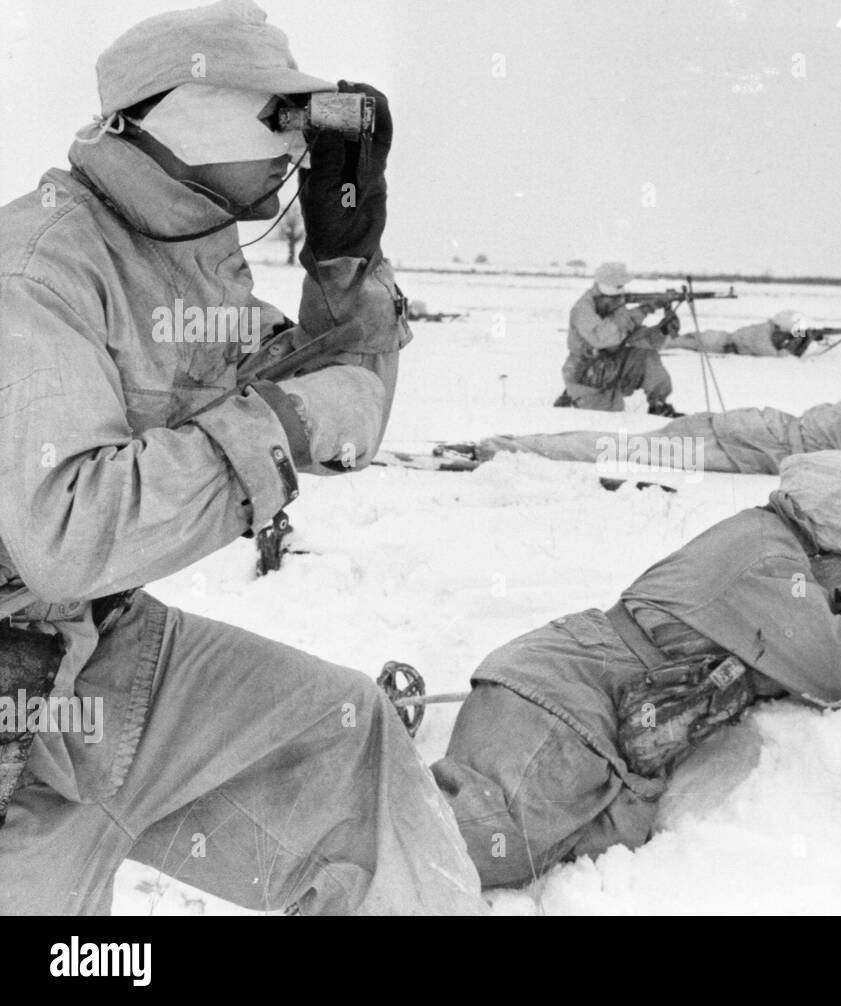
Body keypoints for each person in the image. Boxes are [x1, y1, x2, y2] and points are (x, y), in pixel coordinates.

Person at [0, 0, 482, 915]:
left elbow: (341, 412)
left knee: (350, 742)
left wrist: (346, 266)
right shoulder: (37, 271)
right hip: (15, 688)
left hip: (95, 643)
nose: (298, 146)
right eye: (279, 118)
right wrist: (278, 427)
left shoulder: (182, 257)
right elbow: (63, 529)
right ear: (189, 113)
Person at [431, 451, 841, 886]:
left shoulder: (765, 538)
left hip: (568, 702)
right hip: (563, 704)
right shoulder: (770, 560)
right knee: (454, 851)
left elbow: (800, 629)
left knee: (475, 844)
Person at [449, 349, 841, 480]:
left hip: (748, 434)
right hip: (739, 441)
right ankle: (506, 447)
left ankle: (515, 442)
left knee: (628, 448)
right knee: (621, 451)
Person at [555, 261, 683, 416]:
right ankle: (572, 397)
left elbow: (633, 337)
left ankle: (658, 404)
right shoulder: (583, 308)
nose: (623, 290)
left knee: (646, 354)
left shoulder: (614, 304)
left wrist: (662, 330)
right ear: (604, 284)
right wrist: (643, 310)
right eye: (618, 286)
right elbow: (603, 338)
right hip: (586, 371)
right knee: (603, 412)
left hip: (610, 364)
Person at [665, 308, 808, 356]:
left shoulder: (766, 329)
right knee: (668, 343)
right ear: (779, 329)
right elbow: (777, 357)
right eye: (786, 335)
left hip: (716, 338)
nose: (784, 338)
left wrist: (801, 339)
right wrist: (798, 341)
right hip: (713, 342)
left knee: (670, 341)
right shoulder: (761, 335)